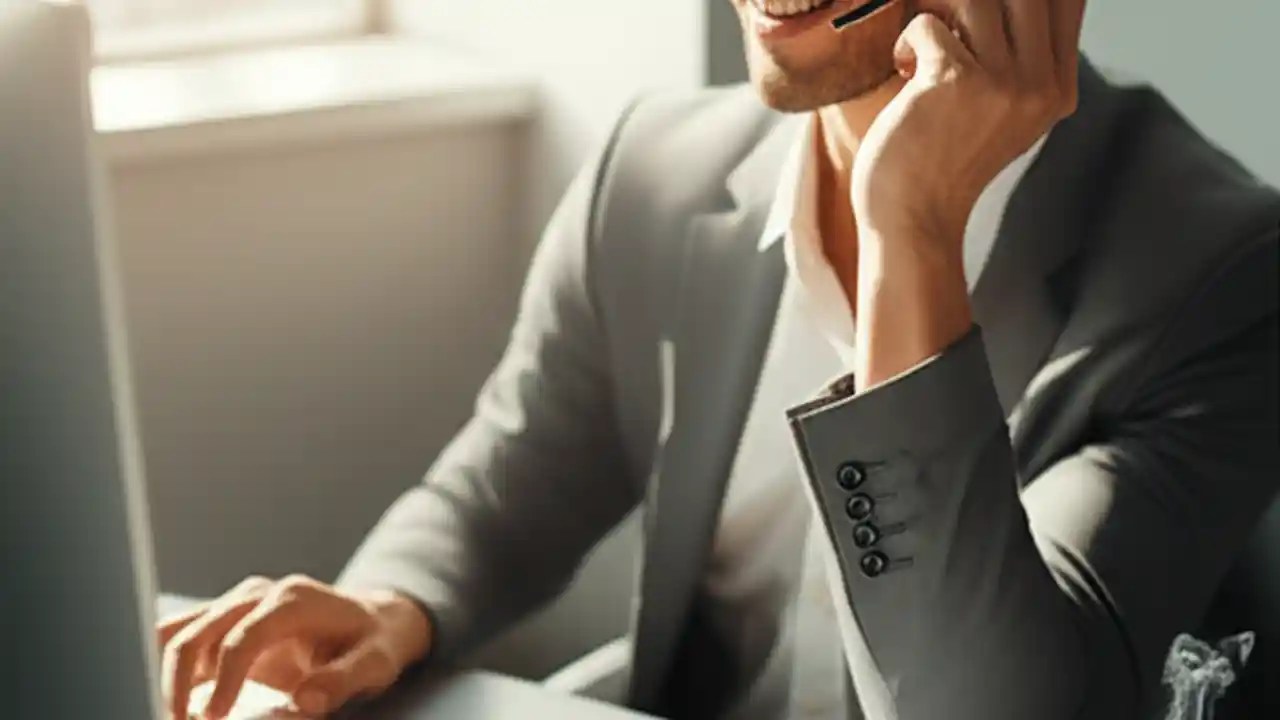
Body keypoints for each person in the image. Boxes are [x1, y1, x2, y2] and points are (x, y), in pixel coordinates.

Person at [158, 0, 1280, 718]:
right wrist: (385, 608)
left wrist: (908, 235)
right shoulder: (653, 171)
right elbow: (506, 485)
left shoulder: (1215, 272)